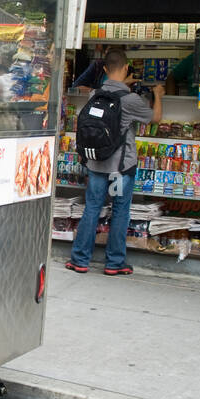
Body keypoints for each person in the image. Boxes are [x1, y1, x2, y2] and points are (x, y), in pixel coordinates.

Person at [65, 49, 161, 275]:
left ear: (105, 70)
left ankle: (79, 260)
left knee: (92, 208)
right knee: (120, 211)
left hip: (96, 164)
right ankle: (114, 263)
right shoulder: (132, 100)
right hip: (120, 169)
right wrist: (159, 95)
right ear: (127, 68)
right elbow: (155, 118)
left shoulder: (94, 95)